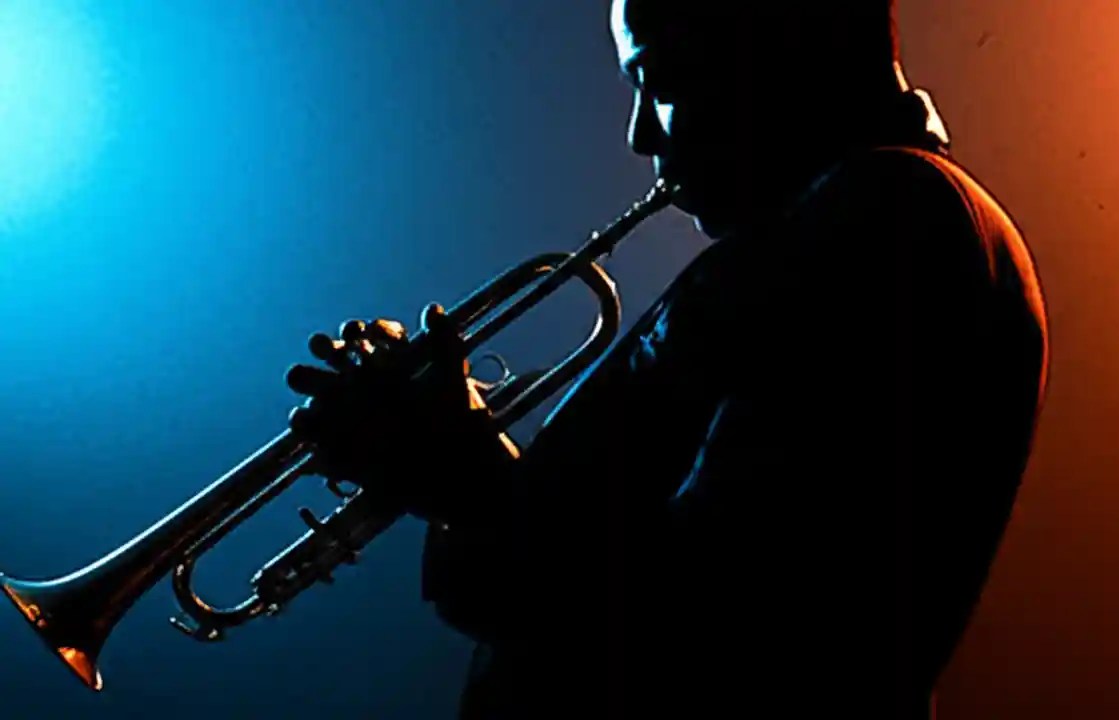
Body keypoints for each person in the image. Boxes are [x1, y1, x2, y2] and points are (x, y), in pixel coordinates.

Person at [284, 1, 1051, 718]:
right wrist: (461, 471)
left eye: (656, 79)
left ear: (774, 40)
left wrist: (459, 470)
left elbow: (711, 622)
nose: (640, 136)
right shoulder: (853, 221)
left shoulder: (887, 218)